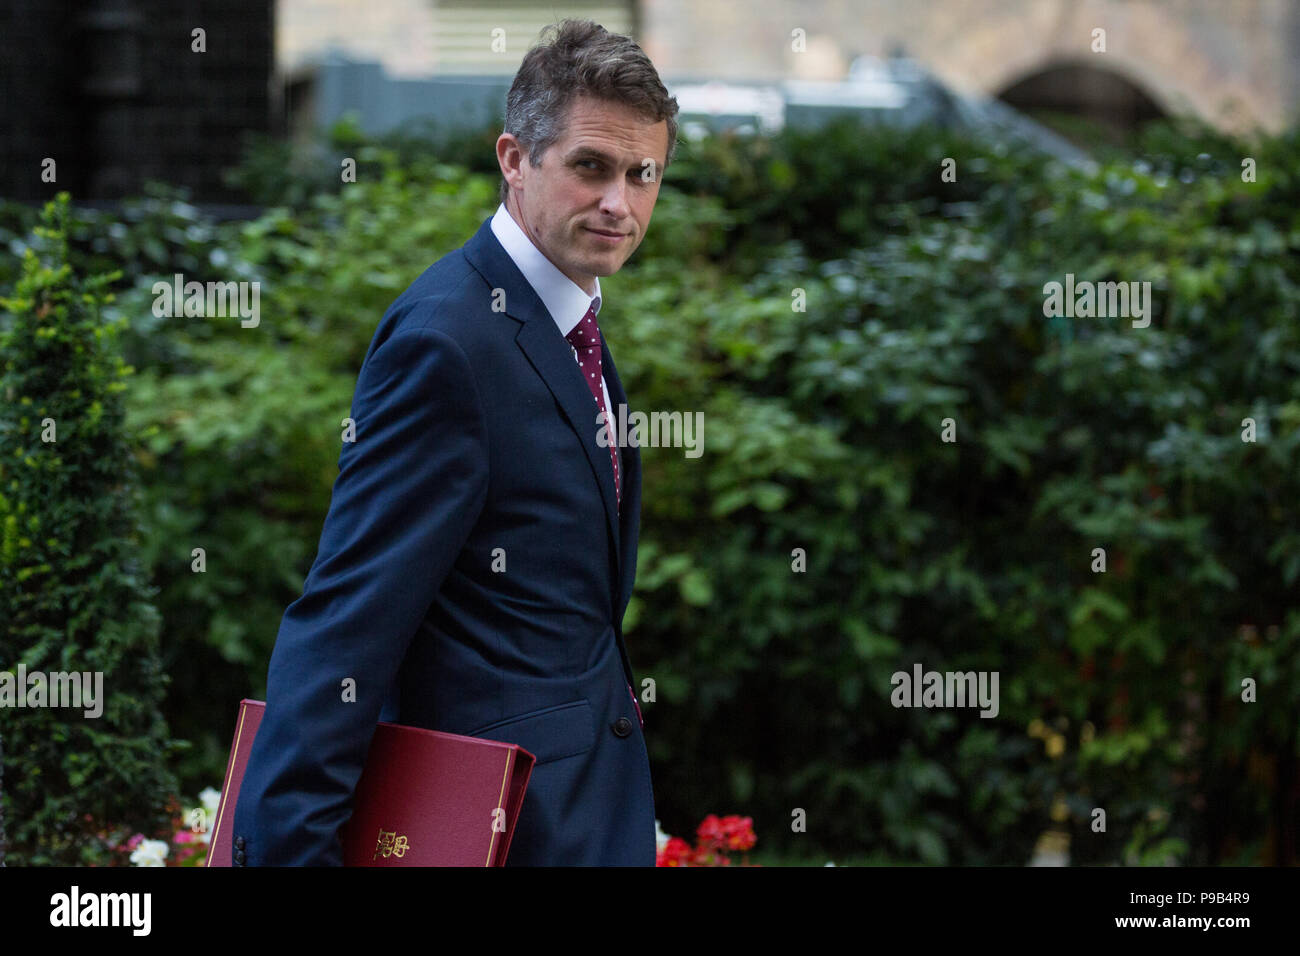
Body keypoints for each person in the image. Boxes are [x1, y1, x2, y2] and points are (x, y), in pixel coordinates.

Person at [230, 18, 678, 866]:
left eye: (642, 173)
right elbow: (345, 624)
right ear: (514, 159)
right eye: (591, 166)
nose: (620, 202)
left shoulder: (565, 312)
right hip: (491, 831)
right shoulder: (448, 340)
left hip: (573, 816)